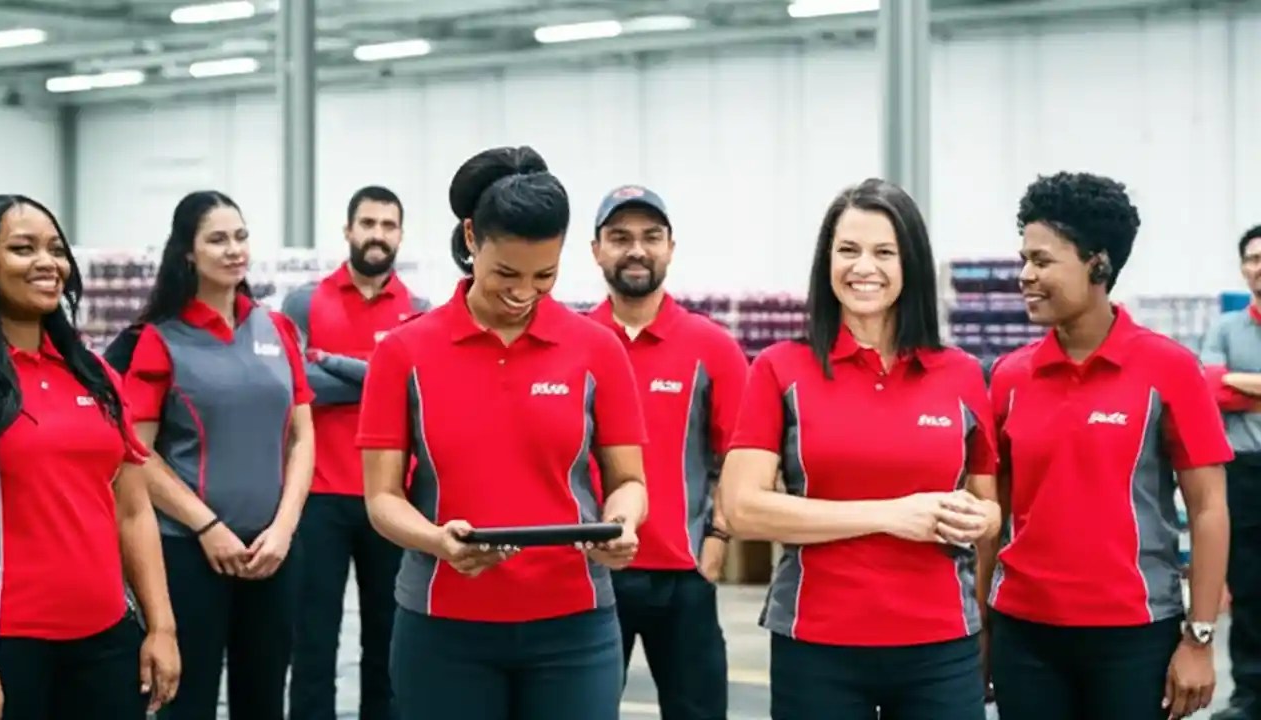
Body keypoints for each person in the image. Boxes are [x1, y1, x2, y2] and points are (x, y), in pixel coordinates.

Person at [357, 145, 649, 720]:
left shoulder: (597, 350)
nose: (524, 292)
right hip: (443, 628)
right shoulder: (404, 353)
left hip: (575, 627)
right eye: (505, 274)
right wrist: (437, 540)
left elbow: (630, 479)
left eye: (546, 275)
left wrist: (623, 522)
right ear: (470, 239)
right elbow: (382, 498)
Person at [719, 178, 1001, 720]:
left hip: (940, 644)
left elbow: (990, 505)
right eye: (847, 250)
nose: (862, 267)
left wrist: (978, 518)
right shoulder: (780, 368)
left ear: (910, 263)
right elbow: (743, 508)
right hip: (818, 643)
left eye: (883, 252)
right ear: (826, 261)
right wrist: (893, 515)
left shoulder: (963, 375)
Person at [985, 171, 1231, 720]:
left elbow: (1209, 508)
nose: (1025, 275)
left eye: (1043, 261)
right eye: (1024, 258)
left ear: (1098, 263)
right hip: (1024, 634)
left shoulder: (1169, 369)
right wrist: (980, 623)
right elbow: (991, 515)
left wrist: (1199, 638)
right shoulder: (1008, 377)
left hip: (1135, 637)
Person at [0, 194, 180, 719]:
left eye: (55, 249)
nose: (47, 263)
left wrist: (160, 626)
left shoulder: (95, 374)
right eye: (23, 249)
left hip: (108, 641)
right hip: (3, 644)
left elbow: (133, 511)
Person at [118, 190, 316, 720]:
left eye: (241, 236)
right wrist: (206, 527)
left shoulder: (277, 329)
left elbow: (302, 437)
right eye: (217, 239)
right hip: (189, 552)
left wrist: (284, 529)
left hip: (273, 552)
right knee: (187, 701)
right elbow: (136, 451)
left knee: (264, 699)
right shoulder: (159, 339)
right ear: (188, 252)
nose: (234, 250)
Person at [585, 184, 747, 720]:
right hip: (588, 573)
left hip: (683, 576)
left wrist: (720, 537)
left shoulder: (713, 346)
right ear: (596, 250)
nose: (637, 249)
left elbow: (739, 457)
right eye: (621, 237)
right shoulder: (573, 342)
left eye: (651, 237)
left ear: (671, 248)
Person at [282, 185, 430, 720]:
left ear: (400, 235)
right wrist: (375, 374)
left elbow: (414, 392)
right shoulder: (305, 301)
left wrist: (334, 363)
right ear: (348, 231)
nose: (377, 235)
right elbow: (299, 386)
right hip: (318, 496)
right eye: (367, 223)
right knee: (313, 644)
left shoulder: (418, 311)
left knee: (389, 643)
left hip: (390, 496)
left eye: (388, 225)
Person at [1187, 224, 1261, 720]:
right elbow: (1209, 389)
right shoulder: (1224, 328)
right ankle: (1251, 696)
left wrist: (1243, 387)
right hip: (1247, 473)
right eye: (1252, 258)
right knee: (1251, 589)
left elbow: (1230, 388)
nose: (1259, 268)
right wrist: (1235, 388)